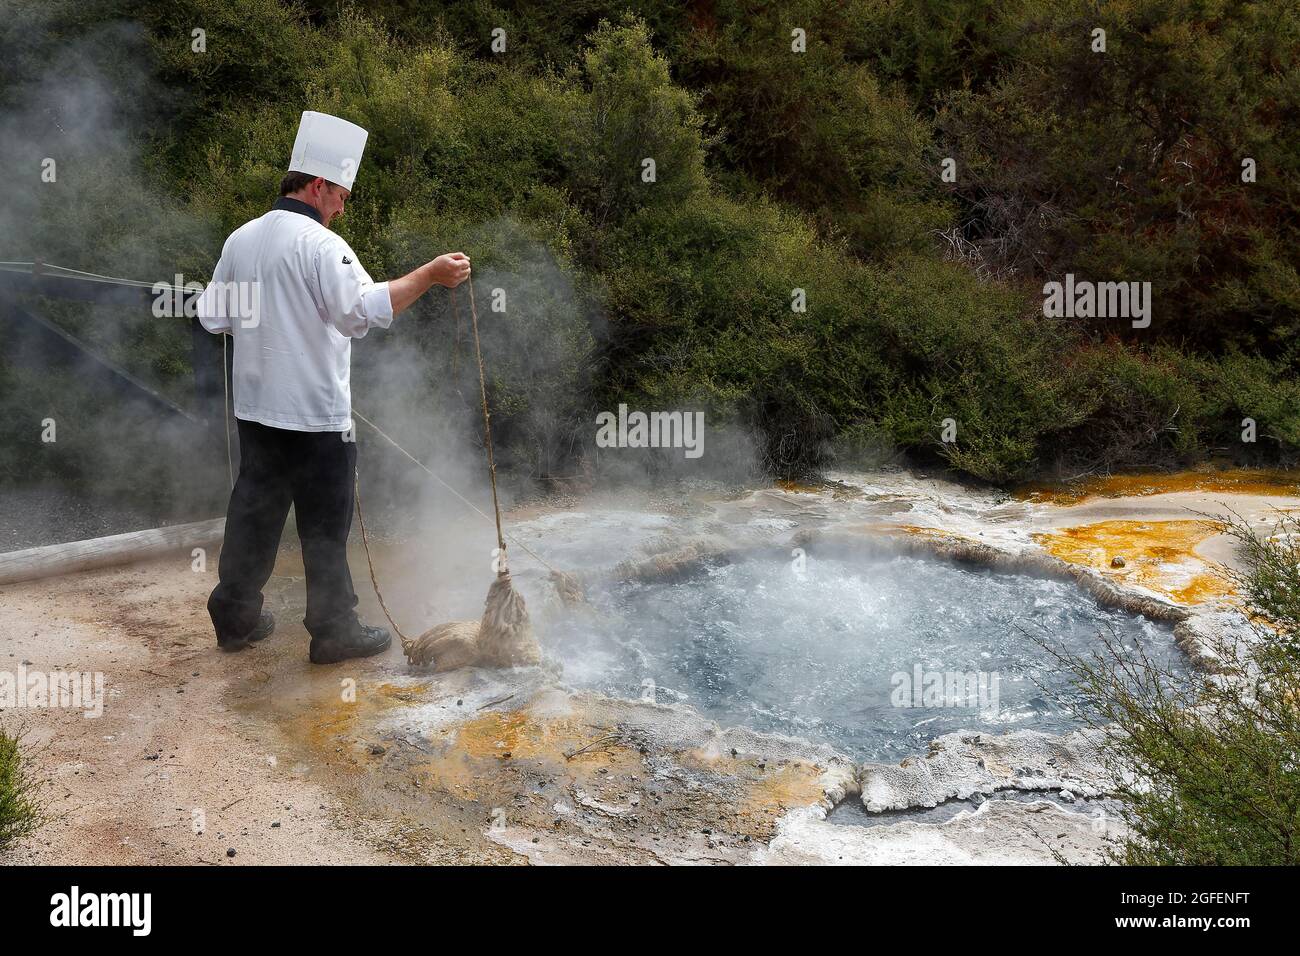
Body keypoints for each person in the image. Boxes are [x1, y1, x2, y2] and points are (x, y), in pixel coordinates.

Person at [195, 110, 470, 664]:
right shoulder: (322, 246)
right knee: (323, 527)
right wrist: (430, 275)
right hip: (316, 419)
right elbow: (360, 311)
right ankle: (334, 631)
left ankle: (235, 617)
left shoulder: (242, 239)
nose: (344, 205)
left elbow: (212, 317)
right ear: (318, 185)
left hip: (256, 411)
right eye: (342, 193)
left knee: (254, 512)